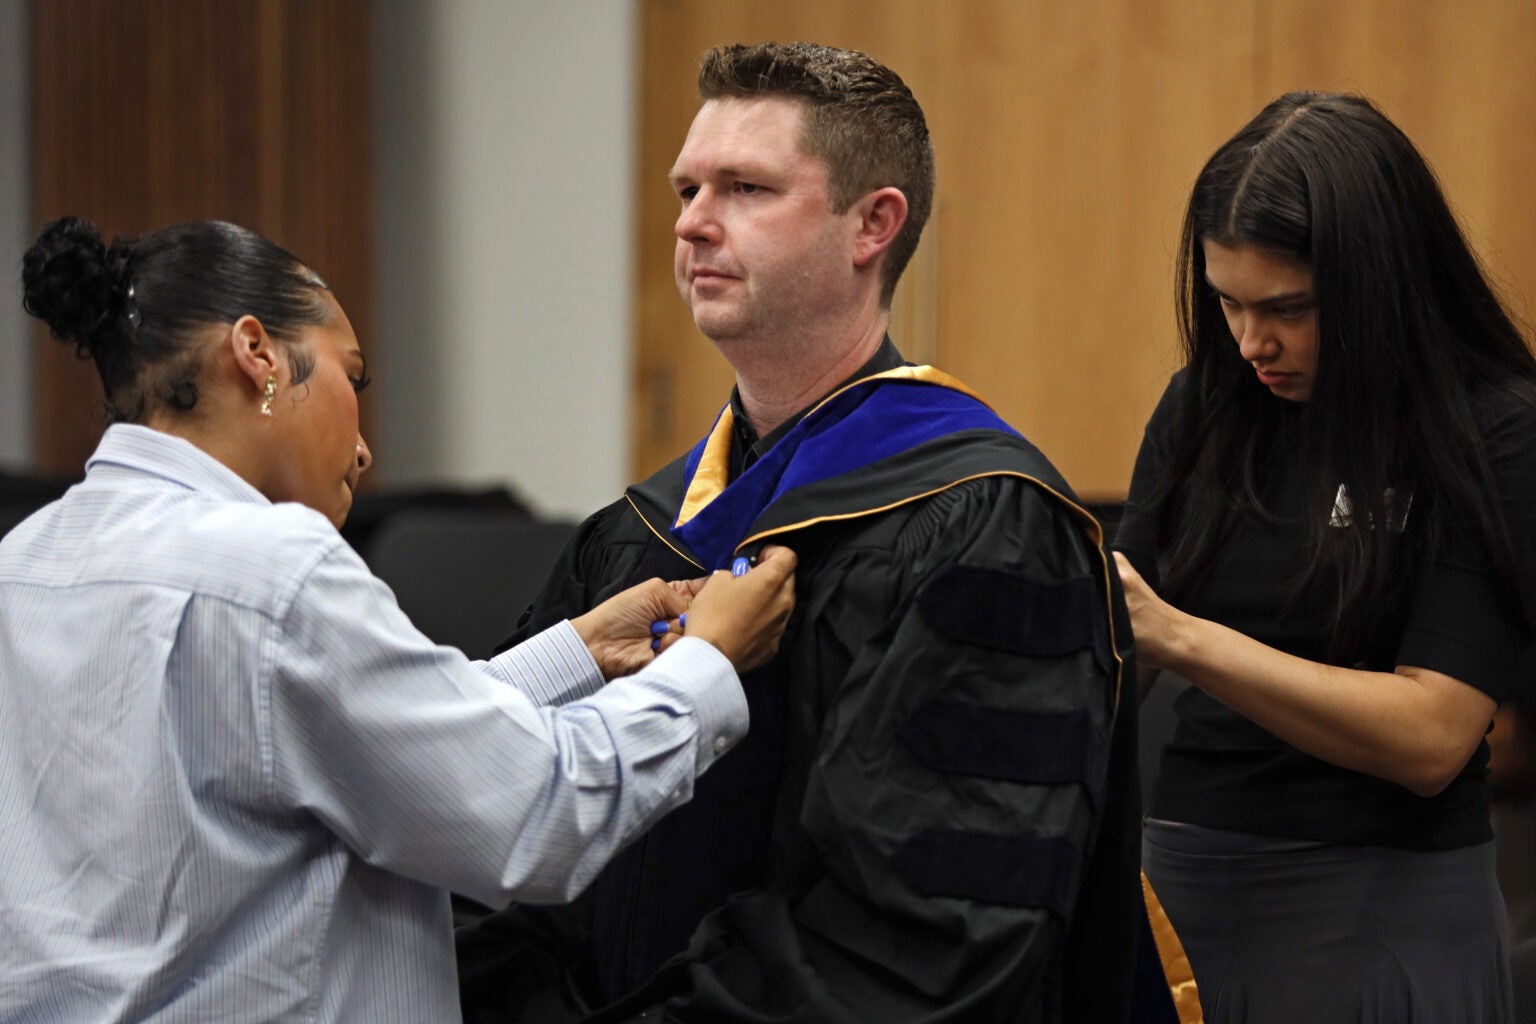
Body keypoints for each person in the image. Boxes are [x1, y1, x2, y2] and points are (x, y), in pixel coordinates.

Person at [457, 42, 1175, 1024]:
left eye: (746, 188)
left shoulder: (986, 528)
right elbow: (502, 830)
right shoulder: (638, 536)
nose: (692, 222)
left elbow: (926, 940)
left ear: (872, 224)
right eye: (687, 189)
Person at [0, 216, 797, 1023]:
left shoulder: (24, 560)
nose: (363, 450)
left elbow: (336, 738)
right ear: (258, 356)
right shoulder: (273, 568)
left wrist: (581, 650)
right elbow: (534, 812)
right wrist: (708, 660)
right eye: (353, 377)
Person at [1112, 91, 1536, 1022]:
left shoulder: (1496, 430)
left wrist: (1181, 638)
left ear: (1383, 283)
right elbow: (1112, 647)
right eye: (1228, 303)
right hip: (1184, 882)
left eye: (1289, 309)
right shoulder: (1204, 405)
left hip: (1385, 904)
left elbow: (1432, 737)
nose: (1251, 343)